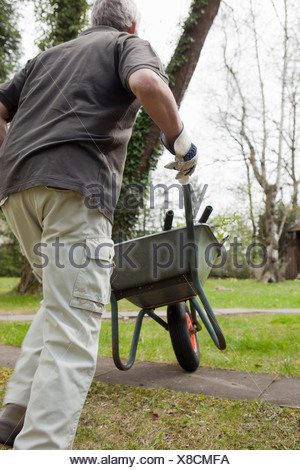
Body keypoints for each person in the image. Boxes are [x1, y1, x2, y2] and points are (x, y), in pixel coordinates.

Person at [0, 0, 197, 450]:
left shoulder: (45, 57)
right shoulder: (126, 44)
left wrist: (10, 161)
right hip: (74, 190)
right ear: (130, 23)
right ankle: (41, 451)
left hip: (15, 193)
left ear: (91, 21)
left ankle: (14, 415)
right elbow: (147, 81)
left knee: (60, 301)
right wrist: (181, 143)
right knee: (75, 321)